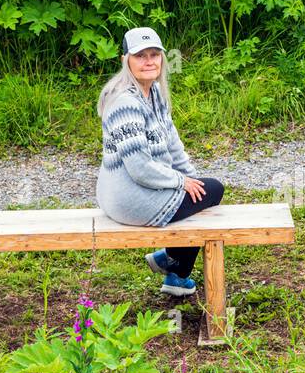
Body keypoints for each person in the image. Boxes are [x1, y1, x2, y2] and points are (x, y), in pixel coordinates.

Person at [95, 26, 225, 296]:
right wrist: (181, 181)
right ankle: (173, 269)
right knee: (213, 191)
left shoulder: (153, 93)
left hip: (141, 188)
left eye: (154, 54)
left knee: (203, 191)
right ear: (125, 60)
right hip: (129, 196)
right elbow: (139, 168)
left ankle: (172, 265)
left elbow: (173, 145)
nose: (149, 61)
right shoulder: (124, 102)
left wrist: (192, 179)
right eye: (140, 55)